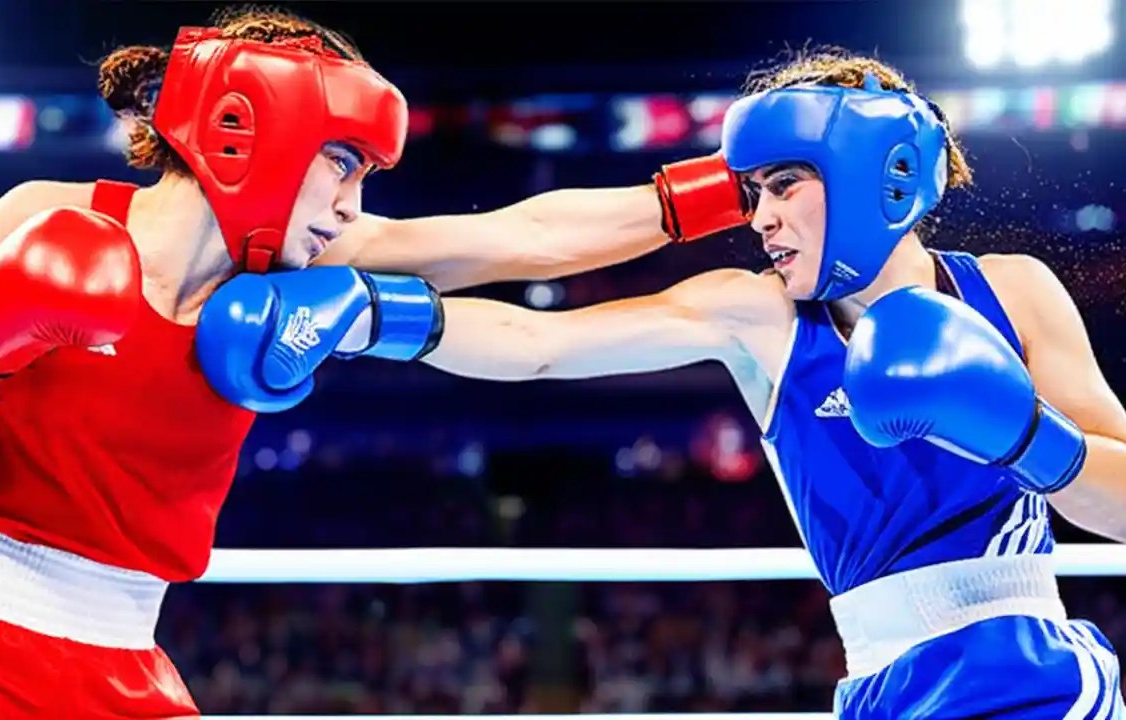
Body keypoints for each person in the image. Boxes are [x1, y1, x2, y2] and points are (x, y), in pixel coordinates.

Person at [0, 7, 742, 717]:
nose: (351, 206)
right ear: (252, 134)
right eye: (343, 165)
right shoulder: (46, 216)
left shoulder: (299, 268)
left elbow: (524, 238)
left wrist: (730, 190)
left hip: (127, 661)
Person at [206, 50, 1126, 717]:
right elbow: (539, 344)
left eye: (784, 185)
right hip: (883, 687)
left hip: (1033, 672)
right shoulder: (758, 316)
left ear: (874, 180)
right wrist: (377, 316)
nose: (759, 217)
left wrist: (1025, 434)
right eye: (753, 190)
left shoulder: (1009, 292)